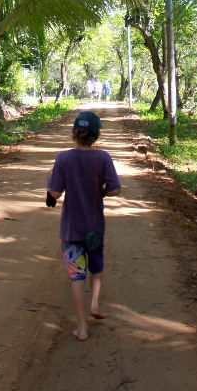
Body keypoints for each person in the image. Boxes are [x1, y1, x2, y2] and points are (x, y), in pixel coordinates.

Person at [44, 111, 121, 341]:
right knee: (96, 269)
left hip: (71, 230)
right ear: (97, 136)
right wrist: (101, 192)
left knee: (77, 277)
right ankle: (95, 305)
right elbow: (116, 189)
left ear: (73, 133)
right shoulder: (104, 158)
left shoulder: (63, 159)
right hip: (95, 229)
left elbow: (55, 193)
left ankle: (82, 327)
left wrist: (50, 180)